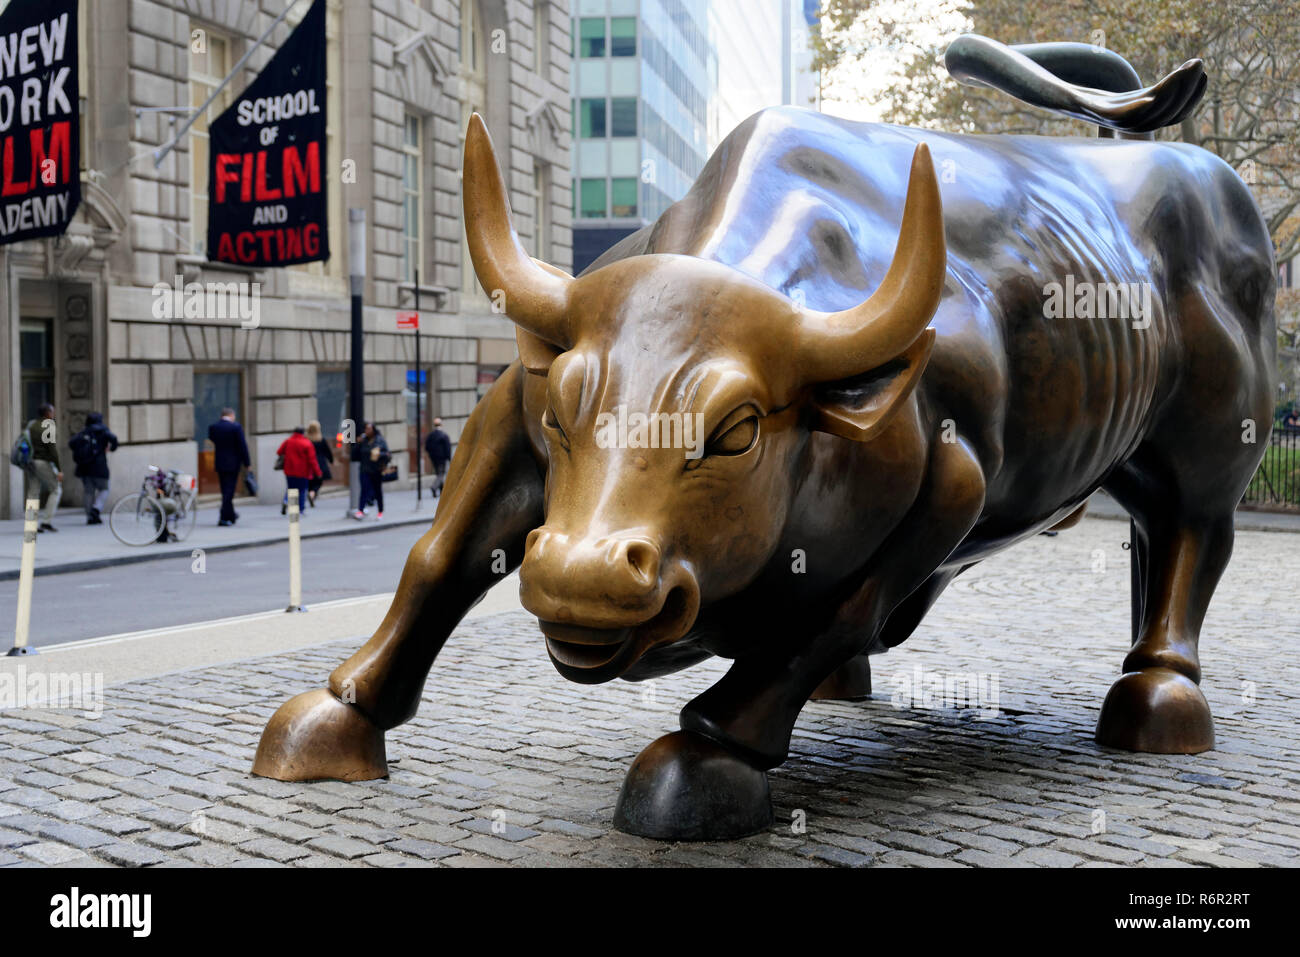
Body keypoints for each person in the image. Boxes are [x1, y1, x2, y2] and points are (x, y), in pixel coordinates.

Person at [69, 412, 119, 525]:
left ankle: (90, 516)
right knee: (104, 489)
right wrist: (111, 448)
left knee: (88, 492)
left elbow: (71, 443)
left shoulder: (84, 432)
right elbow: (114, 439)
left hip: (85, 467)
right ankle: (96, 509)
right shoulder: (103, 431)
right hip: (100, 466)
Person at [22, 403, 62, 533]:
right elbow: (52, 450)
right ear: (48, 413)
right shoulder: (48, 426)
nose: (53, 414)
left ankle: (30, 524)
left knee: (33, 492)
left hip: (30, 462)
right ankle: (46, 522)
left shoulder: (32, 425)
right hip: (42, 462)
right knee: (56, 489)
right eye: (52, 412)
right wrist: (59, 469)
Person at [208, 408, 250, 526]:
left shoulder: (214, 427)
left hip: (220, 462)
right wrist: (247, 463)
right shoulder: (235, 427)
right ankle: (223, 517)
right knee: (229, 491)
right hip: (233, 463)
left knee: (225, 489)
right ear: (231, 415)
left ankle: (231, 515)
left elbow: (212, 439)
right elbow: (243, 446)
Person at [278, 426, 321, 515]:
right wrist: (318, 472)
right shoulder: (306, 443)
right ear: (303, 433)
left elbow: (279, 452)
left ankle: (287, 501)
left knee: (291, 488)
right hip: (302, 471)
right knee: (301, 490)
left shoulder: (288, 441)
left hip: (289, 470)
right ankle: (300, 509)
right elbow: (312, 459)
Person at [353, 422, 390, 520]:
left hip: (376, 469)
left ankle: (380, 511)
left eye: (369, 429)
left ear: (373, 430)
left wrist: (379, 454)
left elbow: (387, 454)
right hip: (365, 468)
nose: (367, 431)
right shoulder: (363, 441)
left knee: (378, 491)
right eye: (366, 429)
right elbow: (355, 455)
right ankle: (360, 510)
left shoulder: (380, 440)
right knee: (364, 490)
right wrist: (358, 443)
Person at [306, 420, 333, 506]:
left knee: (310, 481)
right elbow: (327, 452)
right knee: (318, 481)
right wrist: (331, 460)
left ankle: (311, 493)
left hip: (308, 463)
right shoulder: (321, 439)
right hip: (320, 463)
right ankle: (312, 493)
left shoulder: (306, 439)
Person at [424, 417, 451, 498]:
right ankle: (434, 487)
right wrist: (449, 458)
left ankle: (441, 491)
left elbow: (427, 447)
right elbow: (447, 448)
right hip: (442, 459)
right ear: (441, 425)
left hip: (434, 458)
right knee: (441, 474)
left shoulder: (431, 436)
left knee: (439, 473)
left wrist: (431, 455)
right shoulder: (444, 435)